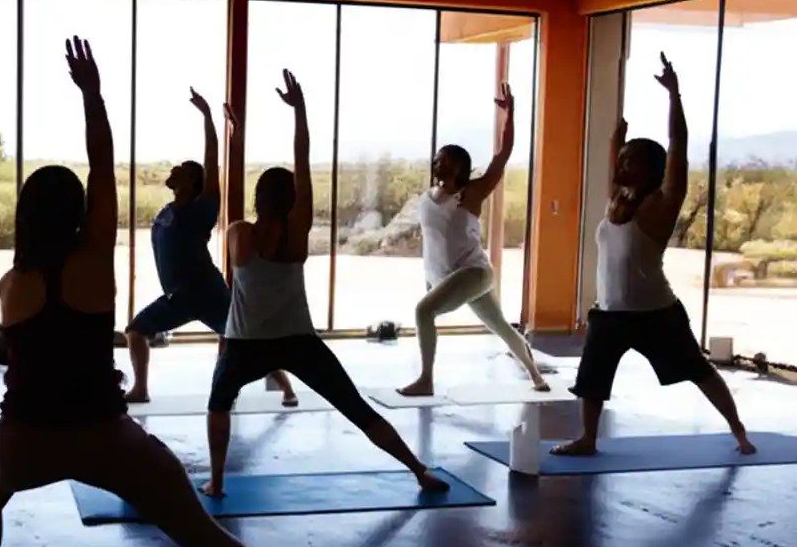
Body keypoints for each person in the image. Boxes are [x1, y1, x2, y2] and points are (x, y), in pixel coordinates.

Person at [0, 38, 315, 547]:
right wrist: (93, 96)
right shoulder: (94, 262)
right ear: (77, 214)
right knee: (198, 532)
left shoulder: (12, 283)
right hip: (105, 436)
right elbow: (103, 166)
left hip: (25, 438)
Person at [201, 68, 450, 499]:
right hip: (298, 340)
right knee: (354, 406)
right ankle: (418, 471)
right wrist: (300, 112)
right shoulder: (298, 233)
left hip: (244, 343)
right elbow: (302, 165)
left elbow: (231, 187)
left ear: (258, 199)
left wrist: (234, 138)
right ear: (292, 201)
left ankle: (218, 481)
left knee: (218, 404)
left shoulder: (240, 234)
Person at [551, 53, 756, 457]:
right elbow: (615, 165)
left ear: (653, 171)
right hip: (609, 313)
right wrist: (616, 139)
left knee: (697, 370)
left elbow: (678, 146)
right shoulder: (618, 200)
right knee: (592, 378)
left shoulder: (660, 205)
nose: (623, 167)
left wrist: (674, 97)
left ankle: (739, 430)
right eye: (622, 161)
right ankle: (587, 439)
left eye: (632, 162)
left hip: (656, 314)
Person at [124, 89, 298, 406]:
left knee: (245, 341)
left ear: (193, 183)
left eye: (182, 169)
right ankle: (140, 388)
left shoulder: (202, 210)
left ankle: (286, 388)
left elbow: (212, 161)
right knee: (135, 331)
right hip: (177, 295)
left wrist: (208, 118)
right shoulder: (168, 211)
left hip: (206, 292)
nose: (174, 170)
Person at [397, 84, 548, 397]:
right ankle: (536, 376)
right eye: (437, 158)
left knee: (424, 312)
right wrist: (432, 283)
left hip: (474, 272)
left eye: (445, 159)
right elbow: (434, 246)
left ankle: (426, 380)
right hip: (448, 277)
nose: (438, 162)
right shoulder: (428, 196)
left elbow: (502, 156)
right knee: (501, 326)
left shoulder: (471, 193)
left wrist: (510, 115)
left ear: (459, 167)